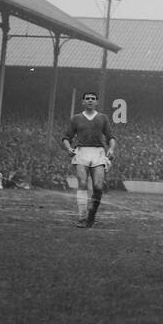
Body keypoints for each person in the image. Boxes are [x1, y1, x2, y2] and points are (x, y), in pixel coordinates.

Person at [63, 91, 116, 227]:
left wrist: (111, 149)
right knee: (82, 182)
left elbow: (111, 137)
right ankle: (81, 217)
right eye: (87, 99)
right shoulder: (76, 118)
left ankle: (92, 214)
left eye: (93, 99)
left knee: (98, 186)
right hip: (81, 151)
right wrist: (69, 148)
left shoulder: (102, 118)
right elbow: (66, 137)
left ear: (96, 102)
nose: (90, 100)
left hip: (98, 152)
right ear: (83, 102)